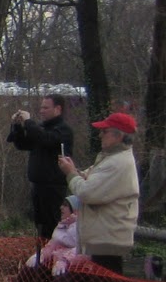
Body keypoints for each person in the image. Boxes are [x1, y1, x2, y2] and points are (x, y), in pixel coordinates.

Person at [58, 112, 141, 273]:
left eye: (105, 131)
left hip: (108, 237)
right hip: (104, 235)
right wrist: (75, 171)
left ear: (119, 136)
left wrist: (70, 173)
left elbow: (86, 192)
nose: (100, 134)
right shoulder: (111, 157)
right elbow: (94, 181)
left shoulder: (117, 163)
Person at [8, 95, 75, 240]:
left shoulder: (63, 130)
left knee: (53, 226)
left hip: (53, 187)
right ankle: (42, 256)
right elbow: (23, 144)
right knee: (40, 227)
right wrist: (18, 126)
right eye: (41, 107)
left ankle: (53, 258)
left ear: (58, 109)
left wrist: (28, 122)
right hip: (37, 186)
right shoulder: (41, 128)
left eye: (46, 107)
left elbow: (45, 139)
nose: (42, 111)